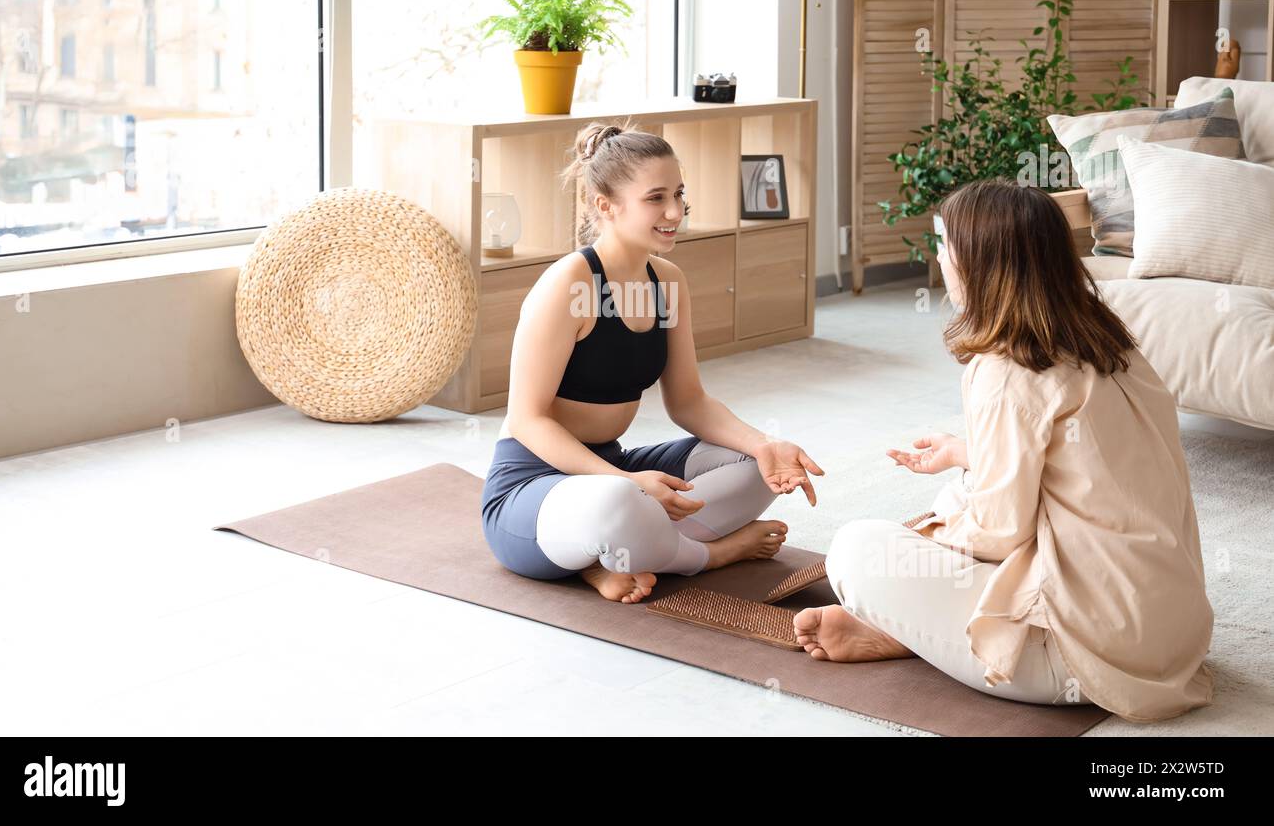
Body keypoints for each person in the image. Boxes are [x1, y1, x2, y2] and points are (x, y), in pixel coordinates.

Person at [793, 178, 1216, 722]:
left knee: (858, 548)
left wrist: (929, 534)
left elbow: (998, 532)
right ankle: (922, 630)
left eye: (945, 246)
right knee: (957, 489)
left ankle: (911, 634)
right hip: (1172, 639)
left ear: (979, 265)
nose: (940, 258)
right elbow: (1087, 465)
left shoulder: (1003, 370)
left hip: (1083, 662)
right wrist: (969, 454)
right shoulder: (1111, 342)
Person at [481, 120, 824, 604]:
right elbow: (526, 419)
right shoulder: (568, 284)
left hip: (612, 469)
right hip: (533, 487)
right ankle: (710, 554)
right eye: (656, 198)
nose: (675, 211)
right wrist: (625, 483)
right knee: (620, 502)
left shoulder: (668, 282)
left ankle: (617, 554)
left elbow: (688, 401)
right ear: (606, 206)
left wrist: (765, 444)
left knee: (752, 465)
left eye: (680, 195)